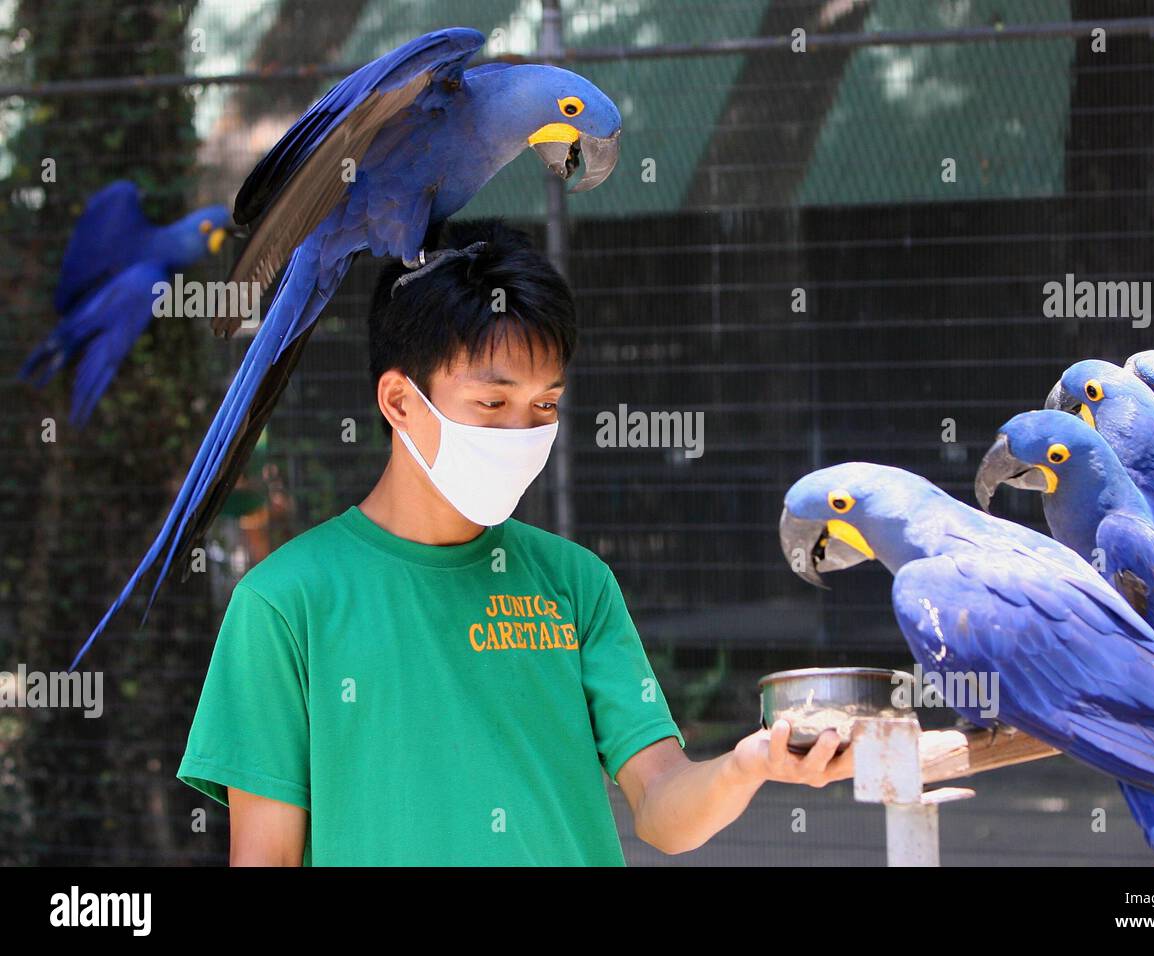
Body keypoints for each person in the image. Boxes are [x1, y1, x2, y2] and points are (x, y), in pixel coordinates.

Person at [177, 218, 852, 866]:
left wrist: (748, 765)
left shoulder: (575, 583)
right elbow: (265, 855)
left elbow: (661, 805)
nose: (522, 433)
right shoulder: (282, 604)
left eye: (546, 406)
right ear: (399, 402)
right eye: (493, 405)